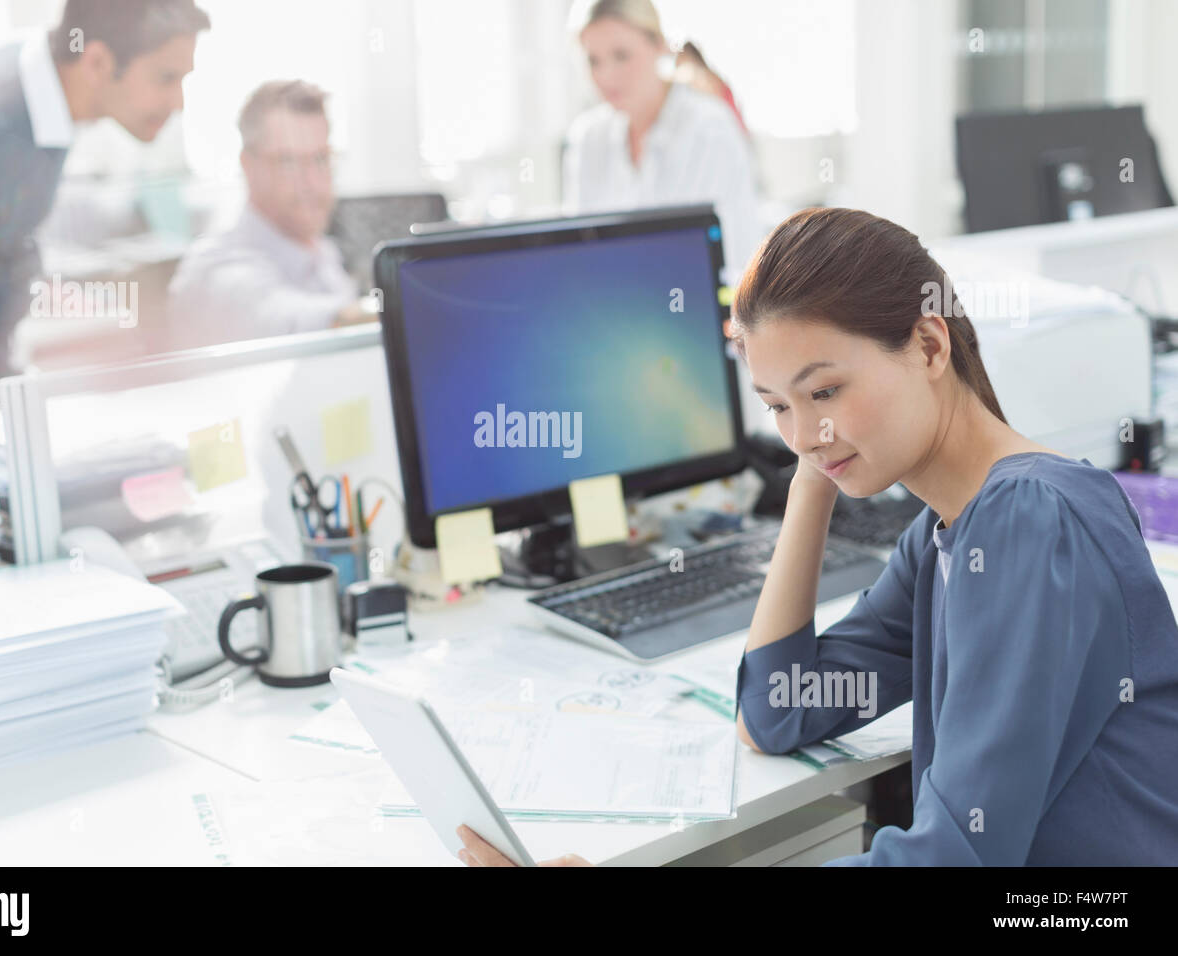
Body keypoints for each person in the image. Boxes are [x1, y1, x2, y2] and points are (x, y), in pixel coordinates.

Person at [457, 207, 1178, 867]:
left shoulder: (1028, 523)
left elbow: (952, 860)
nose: (804, 432)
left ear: (930, 345)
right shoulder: (944, 537)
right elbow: (778, 708)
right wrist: (812, 479)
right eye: (777, 406)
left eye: (825, 392)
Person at [0, 0, 210, 434]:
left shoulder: (46, 88)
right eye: (166, 78)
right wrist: (4, 379)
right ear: (97, 61)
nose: (179, 102)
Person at [562, 0, 761, 282]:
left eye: (621, 55)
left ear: (658, 45)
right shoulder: (587, 138)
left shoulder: (709, 129)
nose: (606, 76)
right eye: (593, 61)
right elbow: (578, 251)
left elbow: (733, 256)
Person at [167, 80, 370, 352]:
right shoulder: (214, 270)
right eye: (288, 162)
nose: (311, 181)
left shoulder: (322, 252)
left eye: (321, 159)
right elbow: (281, 319)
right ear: (248, 166)